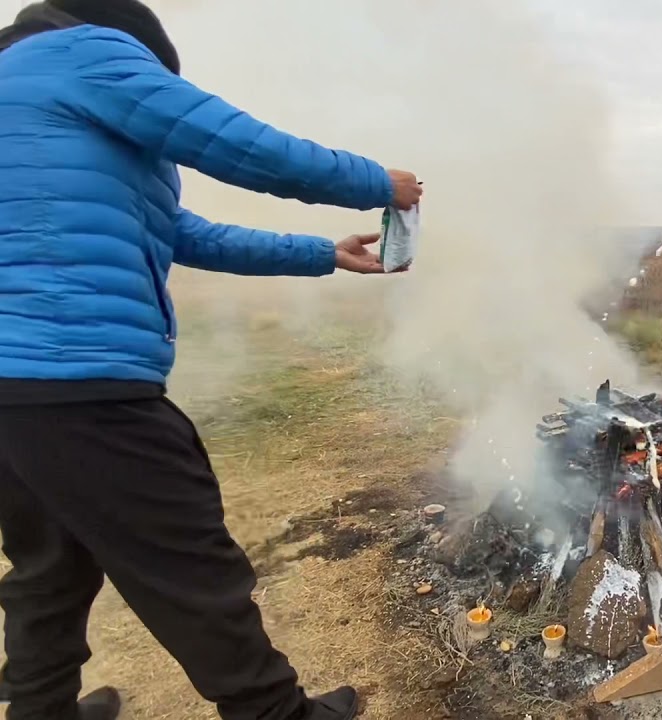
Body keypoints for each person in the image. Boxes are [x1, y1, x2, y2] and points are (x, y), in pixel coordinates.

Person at [0, 2, 423, 719]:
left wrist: (323, 253)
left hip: (14, 392)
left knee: (49, 570)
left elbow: (186, 234)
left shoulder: (24, 97)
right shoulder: (86, 53)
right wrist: (378, 184)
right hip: (79, 377)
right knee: (190, 565)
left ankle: (42, 712)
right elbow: (237, 143)